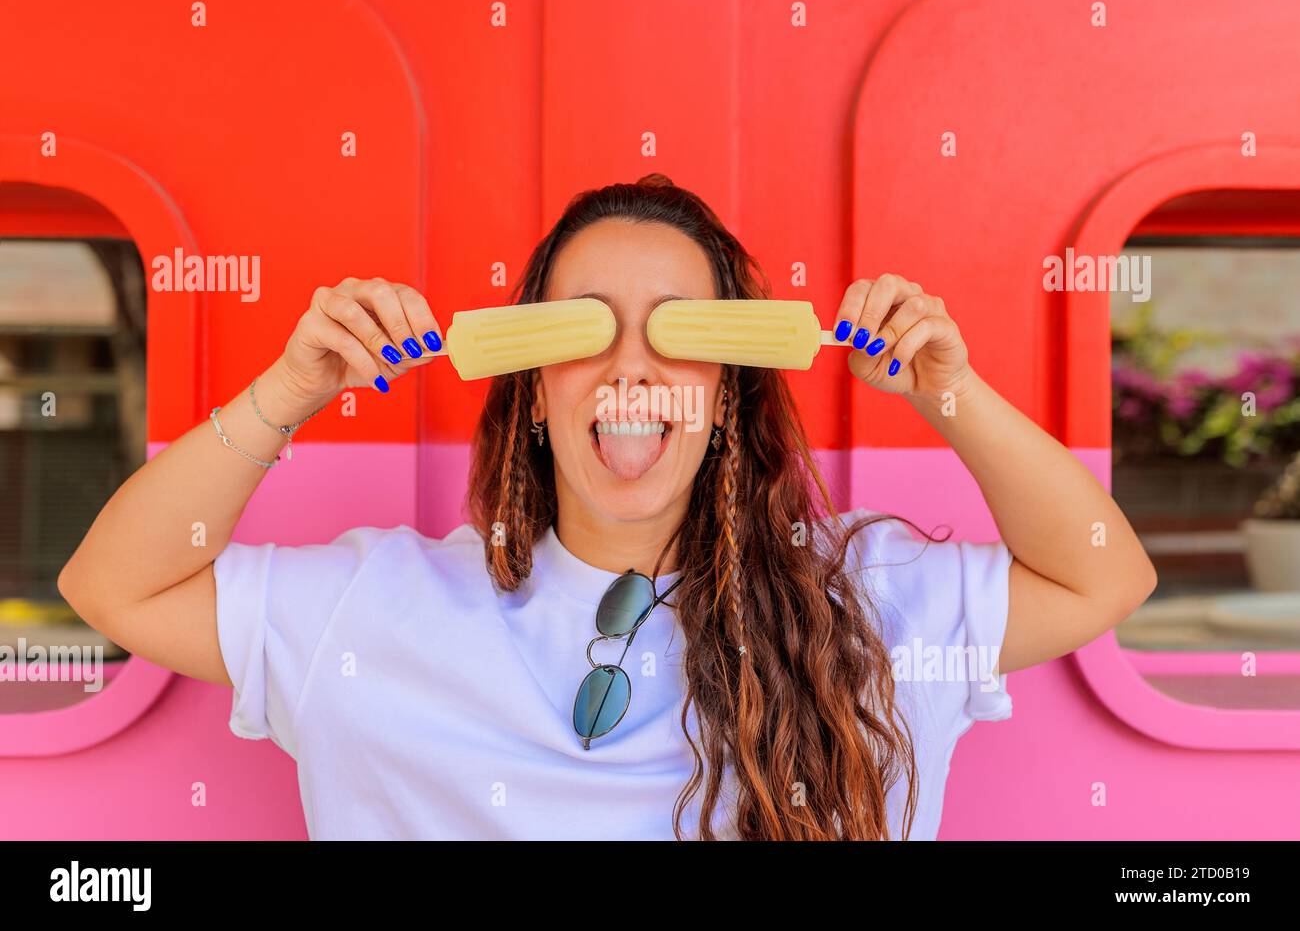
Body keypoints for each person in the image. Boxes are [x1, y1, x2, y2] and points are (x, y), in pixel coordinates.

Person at [58, 173, 1157, 840]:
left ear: (725, 397)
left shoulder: (873, 604)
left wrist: (949, 394)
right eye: (582, 330)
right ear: (534, 394)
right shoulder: (372, 607)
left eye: (678, 331)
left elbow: (1105, 572)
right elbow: (111, 586)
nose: (630, 367)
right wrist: (287, 390)